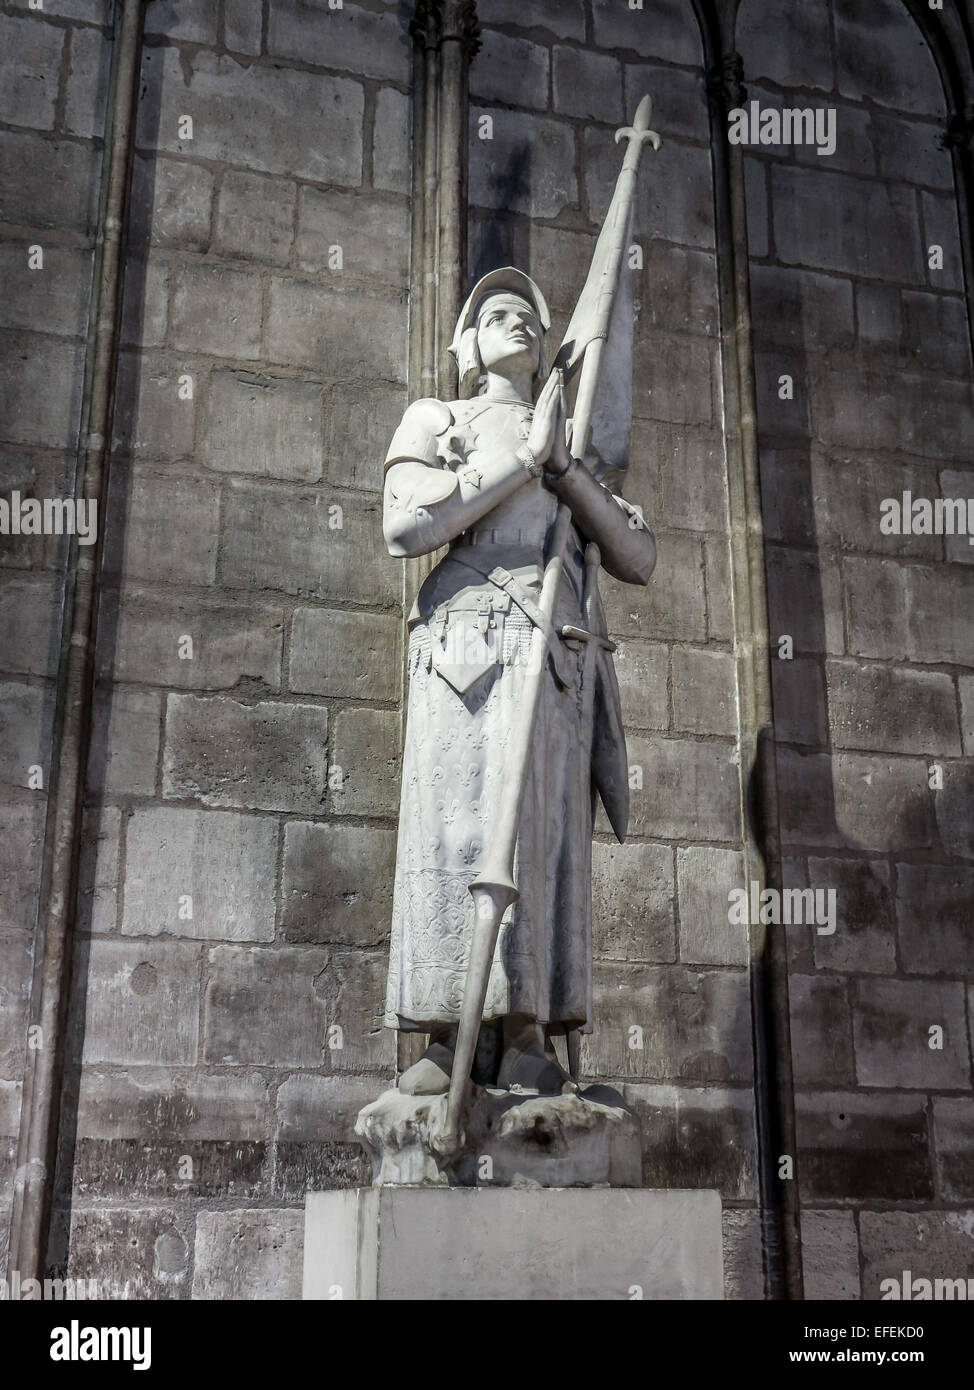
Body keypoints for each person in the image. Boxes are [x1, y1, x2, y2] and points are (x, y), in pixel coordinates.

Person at [381, 267, 656, 1097]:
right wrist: (514, 466)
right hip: (463, 646)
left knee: (539, 839)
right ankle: (442, 1031)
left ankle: (528, 1022)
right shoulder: (441, 417)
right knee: (452, 828)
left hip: (552, 656)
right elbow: (404, 524)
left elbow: (638, 555)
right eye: (496, 314)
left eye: (531, 319)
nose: (518, 325)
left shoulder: (566, 440)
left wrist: (563, 468)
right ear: (467, 342)